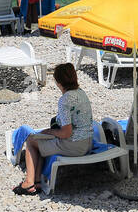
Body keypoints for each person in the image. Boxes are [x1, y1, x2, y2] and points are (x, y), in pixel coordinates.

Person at [14, 63, 93, 195]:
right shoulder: (81, 94)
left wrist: (49, 132)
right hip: (87, 142)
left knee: (31, 141)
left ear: (57, 82)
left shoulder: (65, 100)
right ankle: (38, 181)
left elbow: (66, 133)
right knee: (42, 142)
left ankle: (28, 183)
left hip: (74, 146)